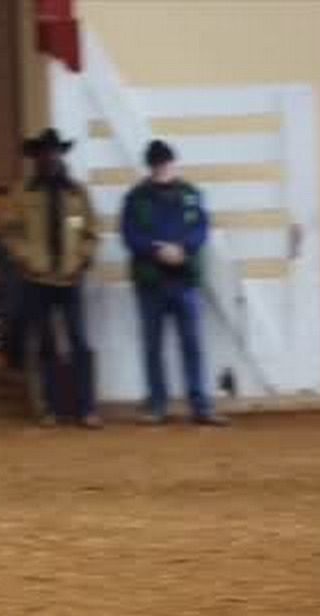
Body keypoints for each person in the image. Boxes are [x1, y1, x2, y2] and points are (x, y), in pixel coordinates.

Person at [121, 140, 229, 426]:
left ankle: (200, 407)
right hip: (151, 283)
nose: (163, 168)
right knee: (153, 346)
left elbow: (201, 229)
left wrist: (182, 249)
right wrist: (158, 251)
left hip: (184, 281)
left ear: (173, 164)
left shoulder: (191, 195)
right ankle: (157, 406)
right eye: (158, 164)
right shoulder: (135, 198)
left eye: (166, 163)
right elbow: (130, 236)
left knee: (192, 345)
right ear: (151, 167)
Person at [3, 128, 102, 429]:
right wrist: (26, 260)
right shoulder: (22, 193)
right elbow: (10, 233)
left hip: (71, 279)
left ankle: (87, 409)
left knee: (79, 342)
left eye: (54, 151)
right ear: (36, 157)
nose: (50, 157)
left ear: (61, 155)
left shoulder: (77, 192)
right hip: (37, 280)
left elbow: (92, 232)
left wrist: (82, 259)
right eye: (44, 152)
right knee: (43, 344)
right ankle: (46, 408)